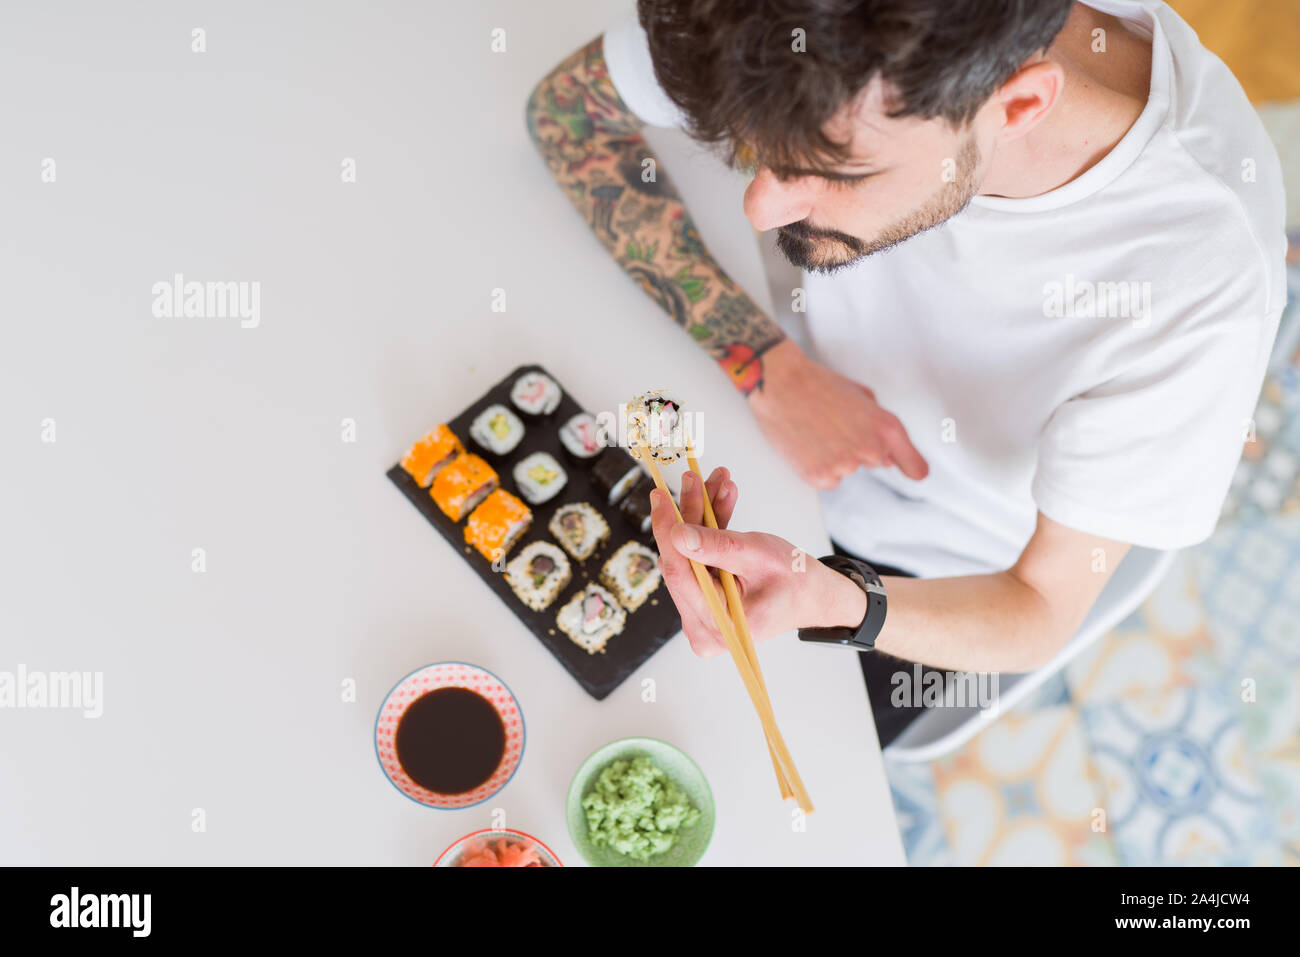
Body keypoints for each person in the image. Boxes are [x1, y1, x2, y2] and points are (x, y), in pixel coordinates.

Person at [526, 0, 1286, 747]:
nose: (763, 206)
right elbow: (570, 110)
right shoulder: (804, 22)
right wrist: (766, 365)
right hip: (755, 397)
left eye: (831, 170)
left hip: (920, 581)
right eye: (757, 148)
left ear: (1018, 105)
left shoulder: (1201, 277)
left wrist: (839, 598)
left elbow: (1041, 606)